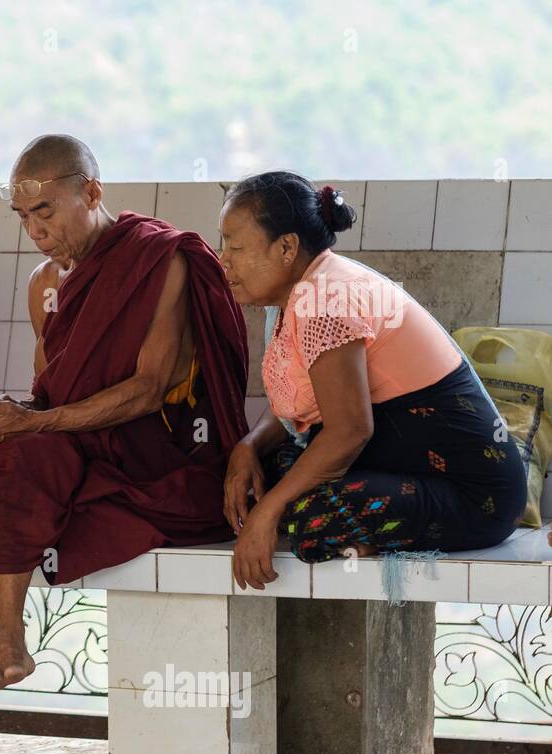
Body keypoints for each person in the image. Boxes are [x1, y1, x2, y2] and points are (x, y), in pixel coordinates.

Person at [0, 134, 249, 693]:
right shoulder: (44, 284)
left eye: (44, 211)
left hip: (160, 459)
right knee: (18, 457)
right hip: (85, 447)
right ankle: (9, 638)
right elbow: (48, 397)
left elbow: (145, 390)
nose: (35, 231)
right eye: (22, 217)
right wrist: (7, 422)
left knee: (27, 458)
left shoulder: (160, 260)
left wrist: (33, 425)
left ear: (91, 192)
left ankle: (5, 636)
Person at [219, 170, 525, 591]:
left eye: (235, 246)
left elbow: (348, 431)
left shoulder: (327, 298)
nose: (224, 259)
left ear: (287, 247)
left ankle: (369, 537)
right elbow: (302, 396)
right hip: (399, 465)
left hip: (472, 496)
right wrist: (248, 446)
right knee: (261, 476)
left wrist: (266, 515)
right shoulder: (300, 291)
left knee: (307, 517)